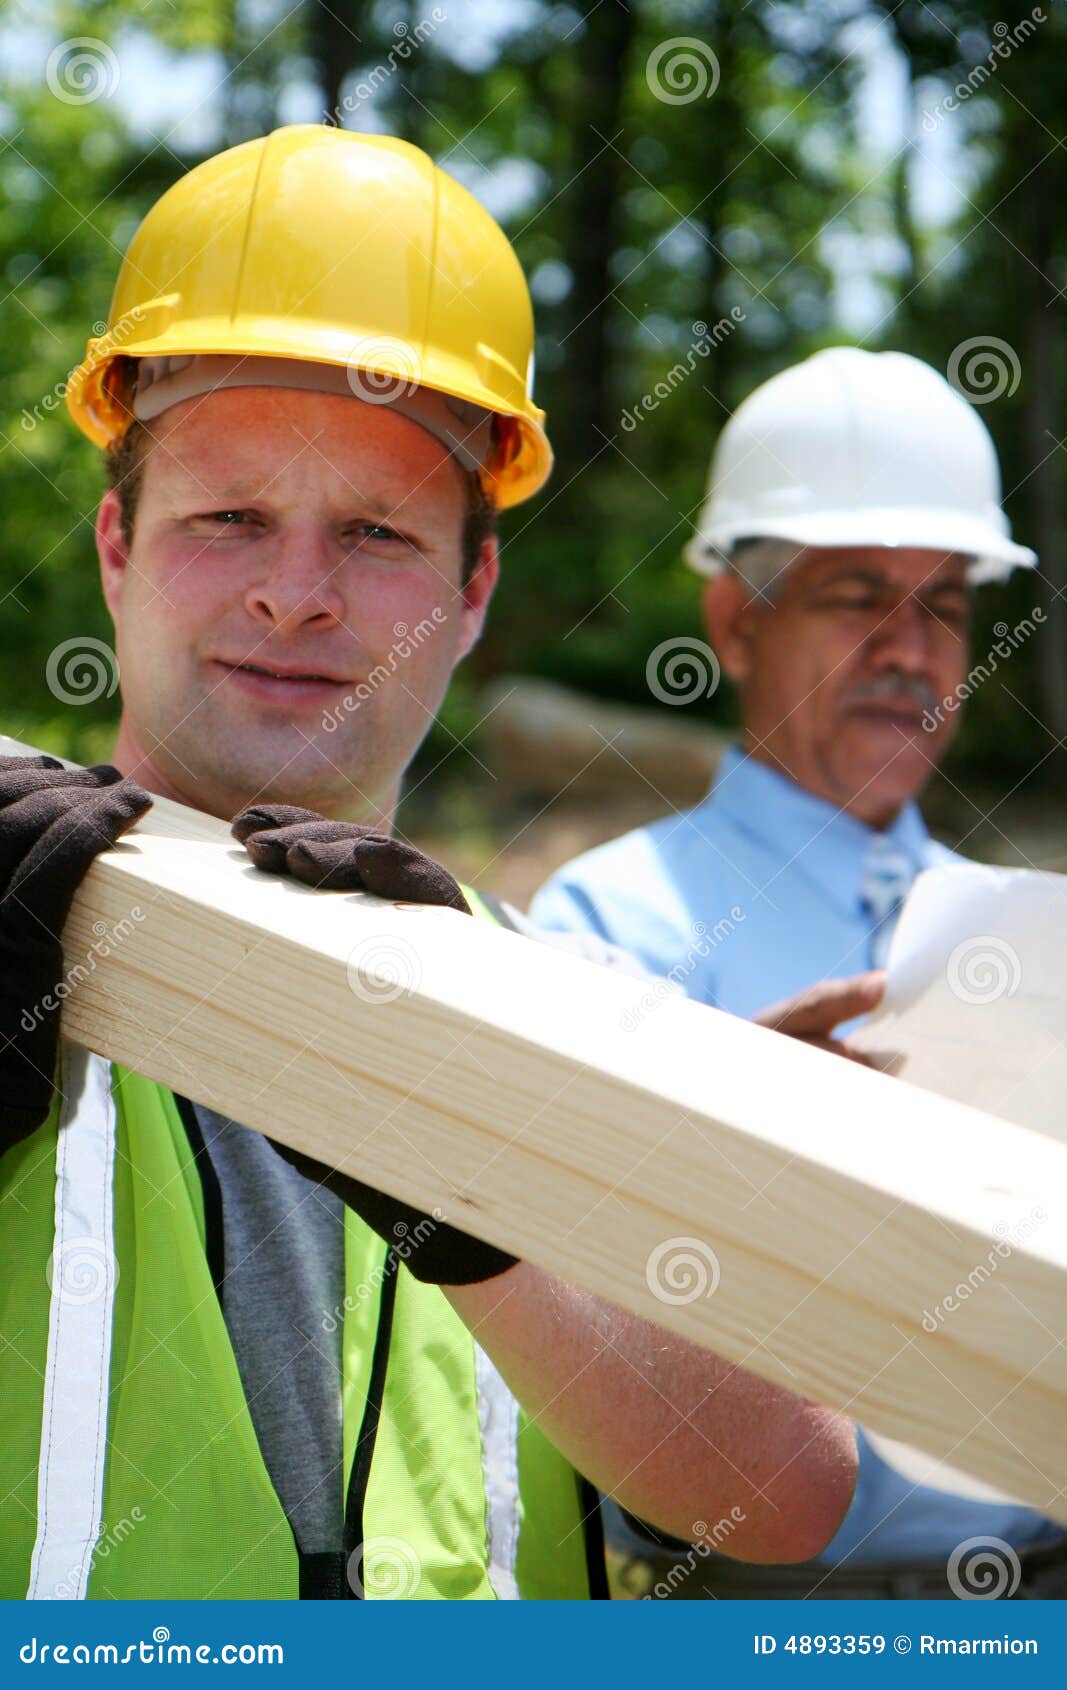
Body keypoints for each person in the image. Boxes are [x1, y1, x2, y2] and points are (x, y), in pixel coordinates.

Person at [0, 129, 856, 1602]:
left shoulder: (562, 996)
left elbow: (779, 1491)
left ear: (470, 592)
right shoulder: (4, 917)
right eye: (229, 517)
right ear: (117, 548)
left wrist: (465, 1174)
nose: (294, 589)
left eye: (376, 532)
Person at [532, 346, 1067, 1598]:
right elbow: (567, 1363)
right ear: (734, 622)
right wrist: (735, 1171)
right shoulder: (605, 925)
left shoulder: (1024, 940)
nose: (911, 650)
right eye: (855, 597)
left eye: (943, 604)